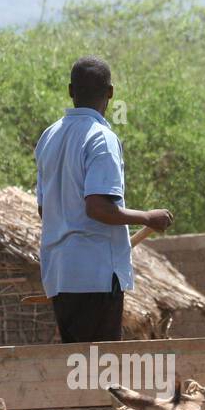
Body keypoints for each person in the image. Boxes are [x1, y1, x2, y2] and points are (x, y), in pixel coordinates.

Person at [34, 56, 173, 343]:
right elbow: (98, 207)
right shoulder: (102, 138)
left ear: (71, 90)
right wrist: (148, 218)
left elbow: (43, 209)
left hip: (60, 274)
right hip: (95, 276)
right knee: (103, 371)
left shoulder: (49, 137)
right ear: (110, 93)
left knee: (79, 369)